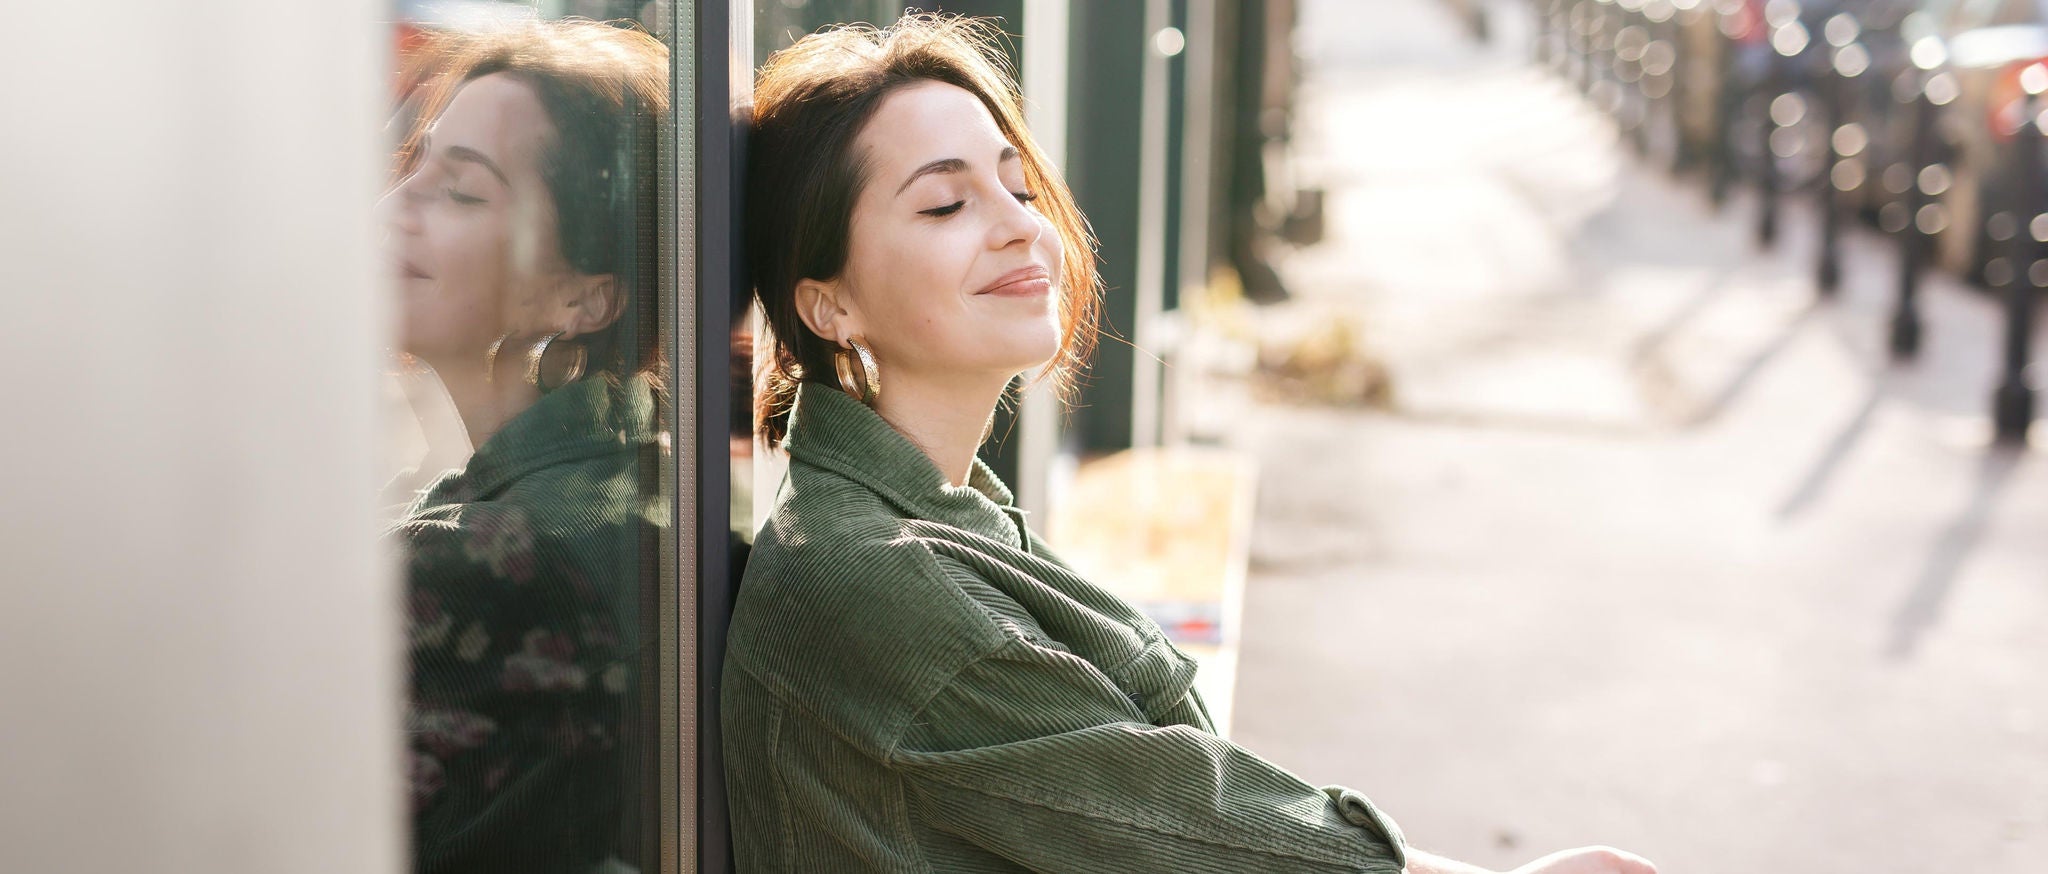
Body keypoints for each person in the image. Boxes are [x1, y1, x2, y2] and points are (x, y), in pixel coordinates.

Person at [722, 14, 1657, 874]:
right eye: (944, 206)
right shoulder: (873, 580)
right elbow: (1186, 825)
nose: (1020, 227)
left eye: (1015, 183)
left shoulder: (927, 514)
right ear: (827, 303)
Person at [382, 19, 668, 874]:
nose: (390, 211)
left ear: (585, 298)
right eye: (413, 169)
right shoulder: (641, 482)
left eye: (462, 193)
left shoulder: (480, 562)